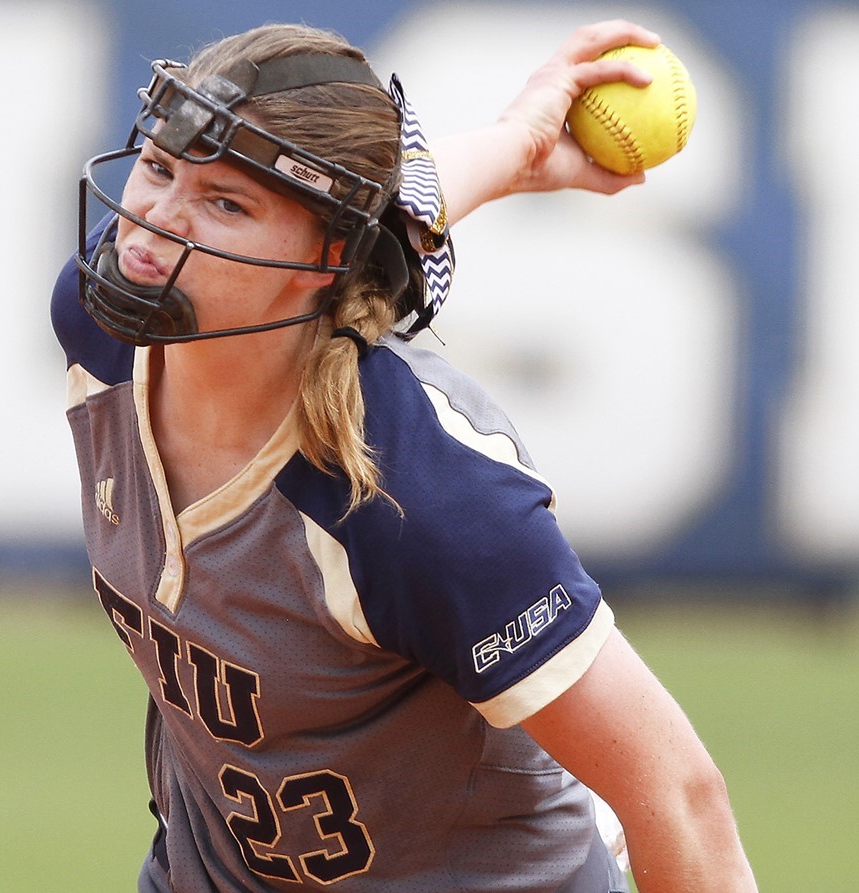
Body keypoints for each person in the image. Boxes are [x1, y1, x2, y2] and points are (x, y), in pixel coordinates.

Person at [51, 18, 756, 893]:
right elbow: (377, 224)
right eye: (160, 166)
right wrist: (513, 149)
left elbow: (680, 795)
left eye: (225, 202)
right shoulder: (113, 318)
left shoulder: (414, 496)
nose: (156, 222)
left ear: (325, 262)